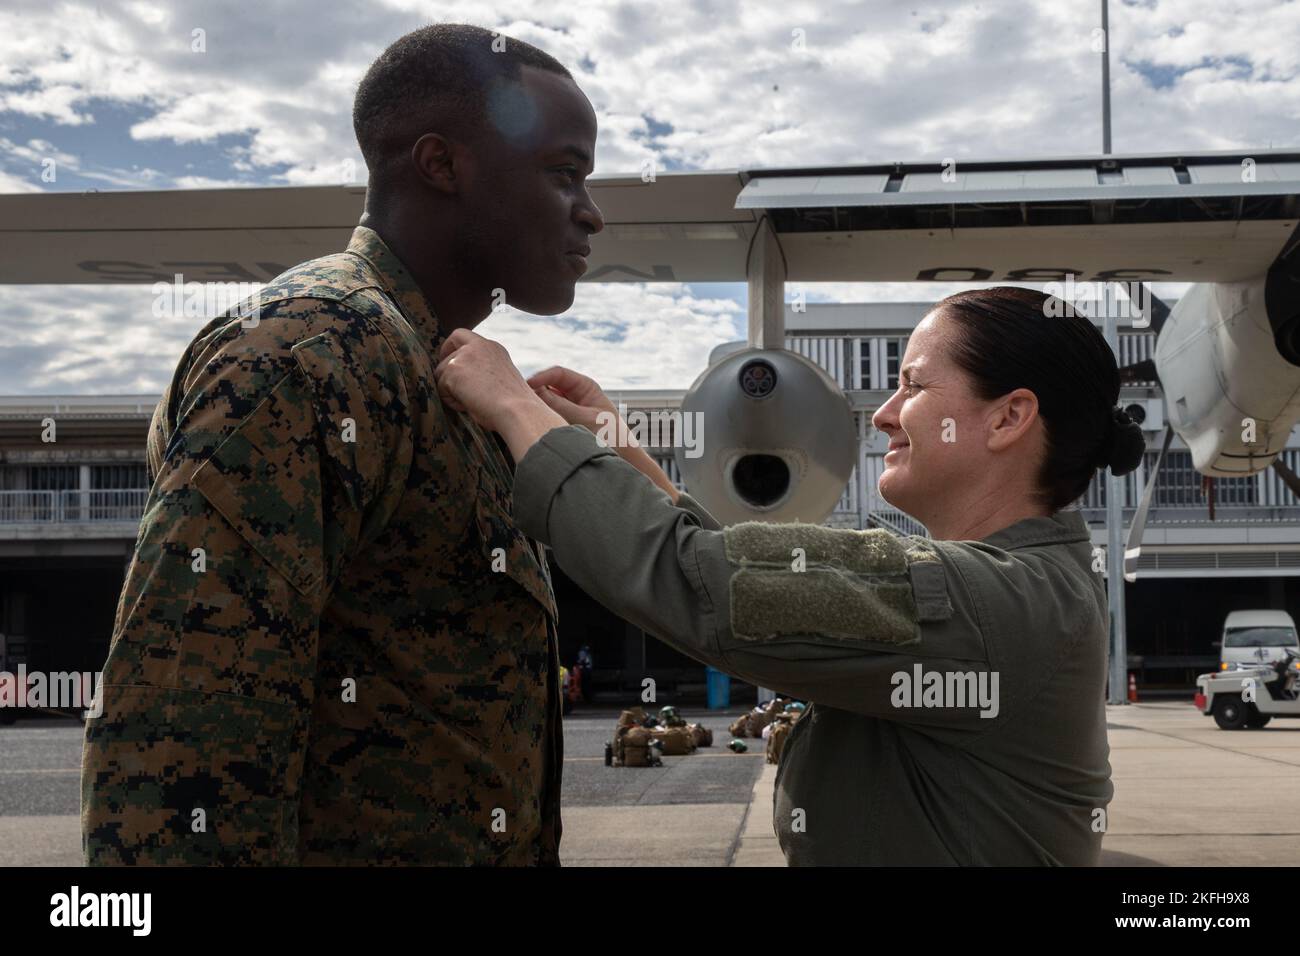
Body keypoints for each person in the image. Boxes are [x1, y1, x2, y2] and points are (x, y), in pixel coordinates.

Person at [81, 23, 603, 865]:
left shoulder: (440, 370)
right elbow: (180, 755)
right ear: (441, 165)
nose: (591, 212)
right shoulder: (310, 351)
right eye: (563, 173)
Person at [433, 286, 1147, 865]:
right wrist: (618, 447)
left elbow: (705, 588)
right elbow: (741, 578)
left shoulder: (997, 602)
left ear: (1008, 418)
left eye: (912, 385)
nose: (885, 415)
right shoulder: (1028, 589)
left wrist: (516, 408)